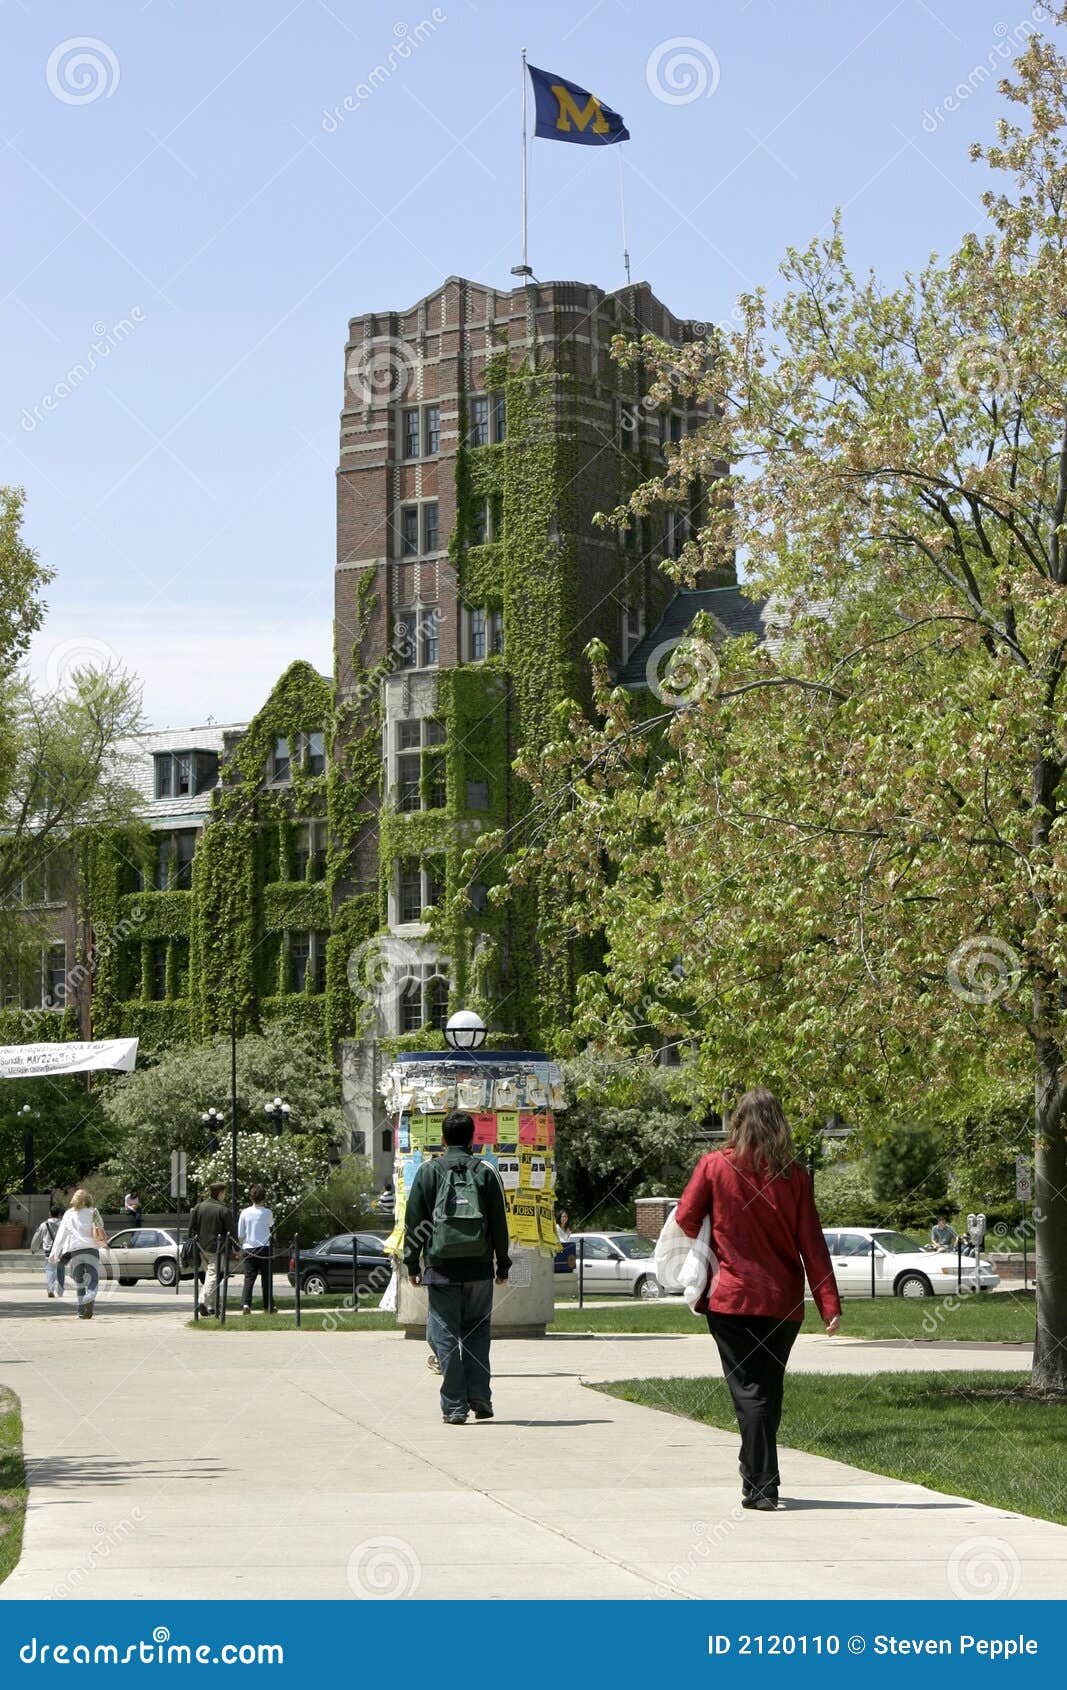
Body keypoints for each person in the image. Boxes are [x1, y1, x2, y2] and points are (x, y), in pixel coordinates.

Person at [674, 1088, 841, 1511]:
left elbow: (684, 1217)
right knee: (768, 1390)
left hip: (732, 1299)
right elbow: (812, 1244)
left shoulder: (714, 1166)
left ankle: (763, 1483)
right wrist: (829, 1304)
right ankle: (756, 1477)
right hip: (783, 1303)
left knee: (749, 1392)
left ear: (737, 1122)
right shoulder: (795, 1176)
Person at [404, 1110, 511, 1424]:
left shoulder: (428, 1172)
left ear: (442, 1139)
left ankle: (454, 1406)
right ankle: (480, 1396)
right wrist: (501, 1264)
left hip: (441, 1269)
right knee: (478, 1333)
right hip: (479, 1269)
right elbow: (498, 1224)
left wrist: (413, 1261)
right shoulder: (486, 1172)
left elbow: (415, 1223)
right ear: (473, 1138)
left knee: (446, 1335)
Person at [48, 1190, 107, 1319]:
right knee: (94, 1280)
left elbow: (61, 1235)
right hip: (92, 1249)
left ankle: (81, 1312)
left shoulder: (69, 1214)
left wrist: (54, 1253)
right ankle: (88, 1300)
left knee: (79, 1282)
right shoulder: (93, 1211)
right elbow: (100, 1227)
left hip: (76, 1250)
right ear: (88, 1199)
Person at [188, 1182, 236, 1316]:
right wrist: (236, 1248)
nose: (225, 1196)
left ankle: (212, 1307)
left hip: (200, 1247)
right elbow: (232, 1232)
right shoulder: (224, 1210)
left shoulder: (198, 1207)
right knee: (213, 1276)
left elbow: (191, 1229)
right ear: (220, 1193)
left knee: (209, 1276)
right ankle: (202, 1301)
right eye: (224, 1193)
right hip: (216, 1248)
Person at [238, 1184, 274, 1314]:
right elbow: (271, 1224)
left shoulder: (244, 1212)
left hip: (249, 1248)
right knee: (267, 1278)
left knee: (249, 1278)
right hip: (265, 1248)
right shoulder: (268, 1212)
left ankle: (246, 1304)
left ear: (251, 1198)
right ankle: (268, 1305)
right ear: (264, 1198)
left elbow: (241, 1234)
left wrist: (240, 1247)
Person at [31, 1203, 66, 1299]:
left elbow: (37, 1237)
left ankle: (50, 1290)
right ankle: (60, 1291)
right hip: (60, 1251)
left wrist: (33, 1248)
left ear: (50, 1213)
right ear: (59, 1214)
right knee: (61, 1270)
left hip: (48, 1252)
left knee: (50, 1271)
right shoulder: (63, 1224)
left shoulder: (44, 1225)